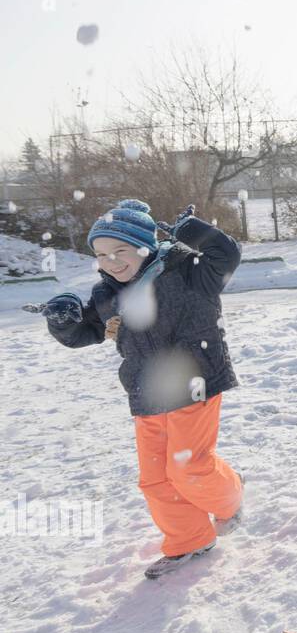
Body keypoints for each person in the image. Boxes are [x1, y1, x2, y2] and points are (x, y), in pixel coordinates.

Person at [33, 200, 244, 580]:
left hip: (194, 381)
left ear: (144, 246)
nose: (111, 261)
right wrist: (64, 322)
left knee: (190, 468)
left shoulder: (189, 271)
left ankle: (231, 499)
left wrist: (190, 230)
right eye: (101, 254)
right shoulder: (108, 294)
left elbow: (226, 253)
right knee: (155, 479)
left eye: (120, 251)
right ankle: (189, 538)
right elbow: (85, 332)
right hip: (145, 392)